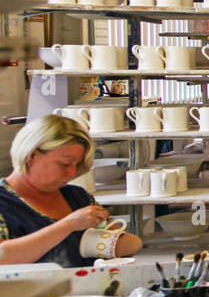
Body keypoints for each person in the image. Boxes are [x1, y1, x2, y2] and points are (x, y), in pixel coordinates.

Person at [0, 114, 142, 266]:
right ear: (31, 155)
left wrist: (124, 244)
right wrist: (67, 225)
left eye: (77, 165)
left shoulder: (77, 197)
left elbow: (122, 243)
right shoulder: (4, 202)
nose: (73, 174)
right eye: (65, 164)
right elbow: (3, 257)